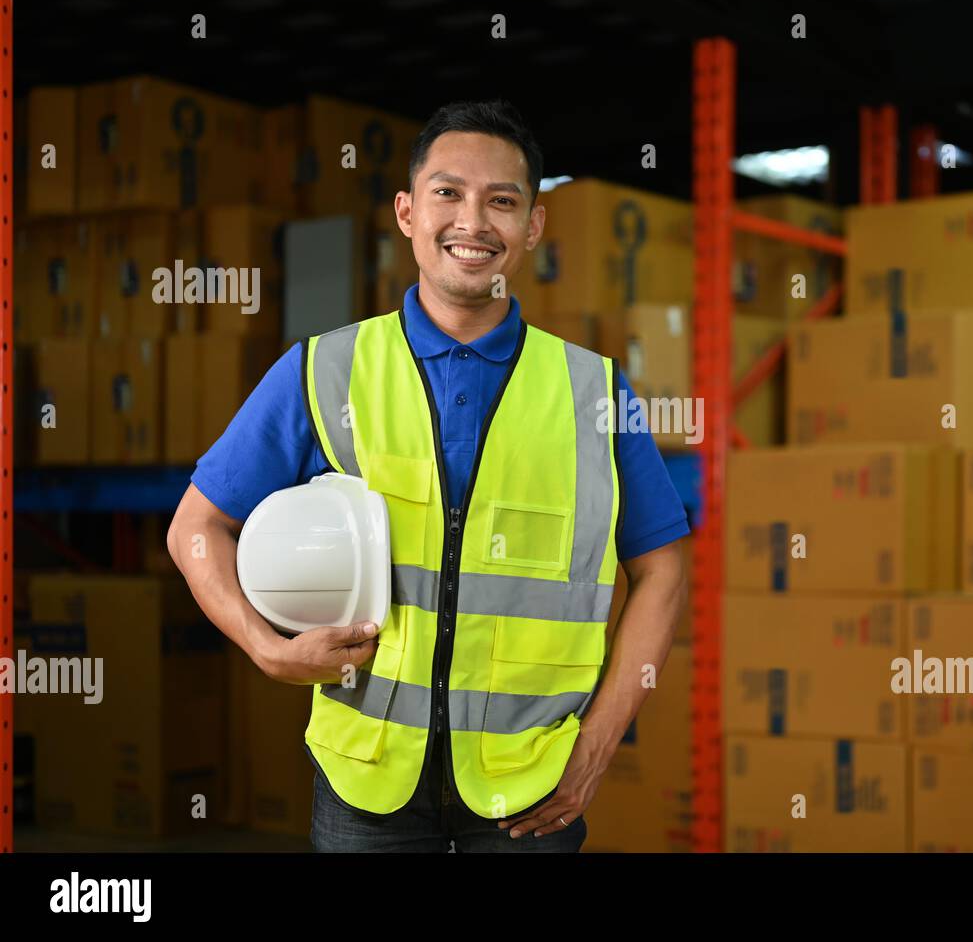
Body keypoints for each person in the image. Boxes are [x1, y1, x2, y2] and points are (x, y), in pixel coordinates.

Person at [167, 99, 690, 853]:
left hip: (532, 791)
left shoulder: (597, 395)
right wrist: (265, 647)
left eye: (501, 201)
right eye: (448, 193)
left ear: (533, 226)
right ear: (408, 212)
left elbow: (663, 569)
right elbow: (195, 528)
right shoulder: (324, 371)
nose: (472, 222)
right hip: (366, 790)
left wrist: (598, 745)